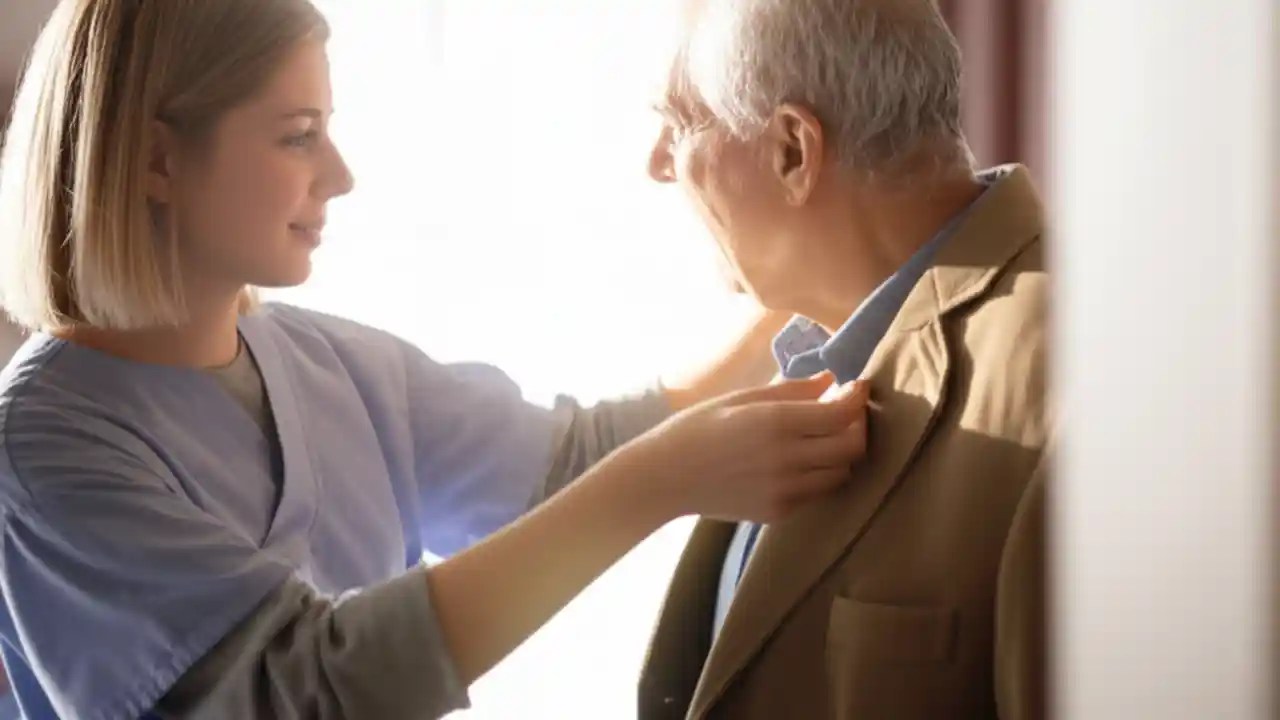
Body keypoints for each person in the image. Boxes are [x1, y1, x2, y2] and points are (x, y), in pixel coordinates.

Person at [0, 1, 873, 718]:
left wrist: (797, 273)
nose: (339, 175)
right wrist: (656, 483)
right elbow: (306, 689)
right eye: (298, 135)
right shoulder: (40, 449)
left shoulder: (334, 367)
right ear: (157, 158)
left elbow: (568, 466)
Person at [638, 0, 1052, 718]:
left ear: (792, 150)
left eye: (680, 121)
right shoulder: (814, 350)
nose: (657, 164)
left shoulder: (1070, 388)